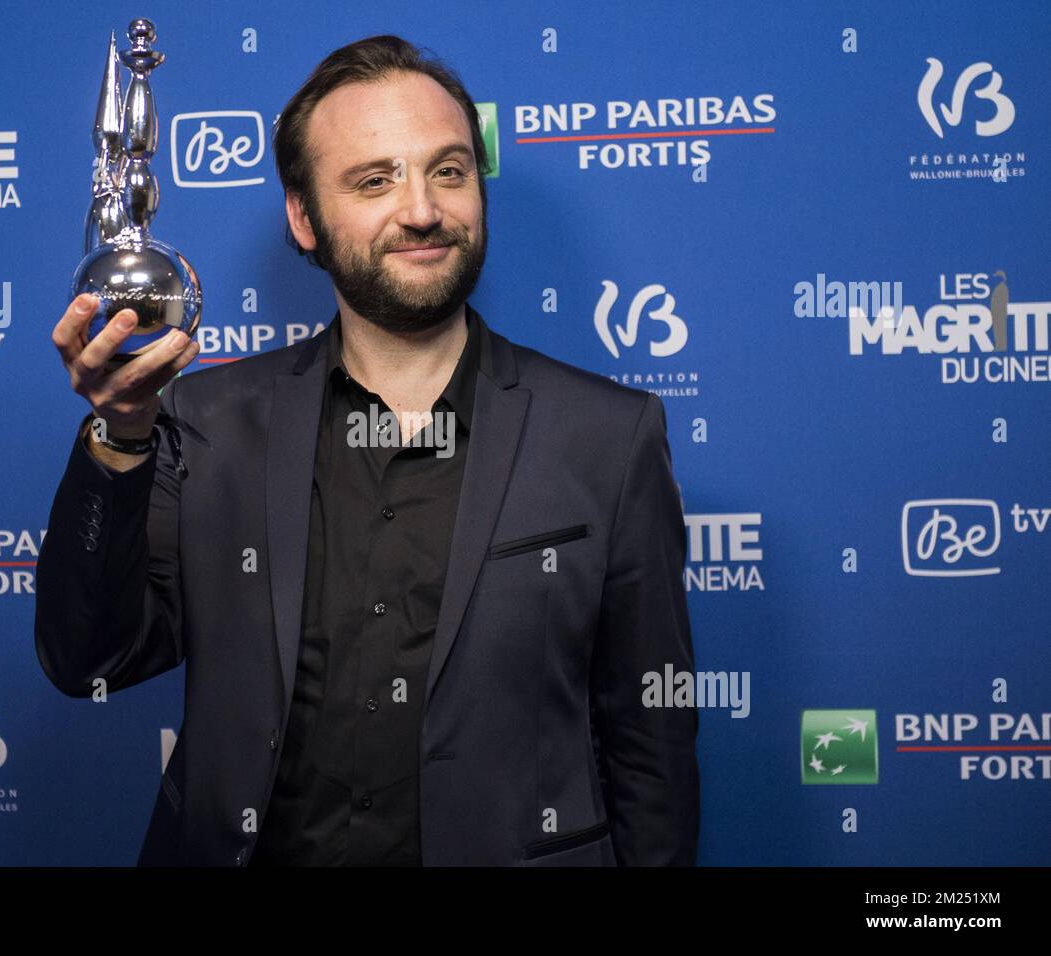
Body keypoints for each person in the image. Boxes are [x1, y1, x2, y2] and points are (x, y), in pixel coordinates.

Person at [36, 34, 699, 866]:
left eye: (448, 171)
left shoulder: (608, 435)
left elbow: (652, 748)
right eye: (374, 179)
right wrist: (121, 435)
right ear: (304, 218)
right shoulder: (207, 420)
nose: (421, 209)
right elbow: (89, 657)